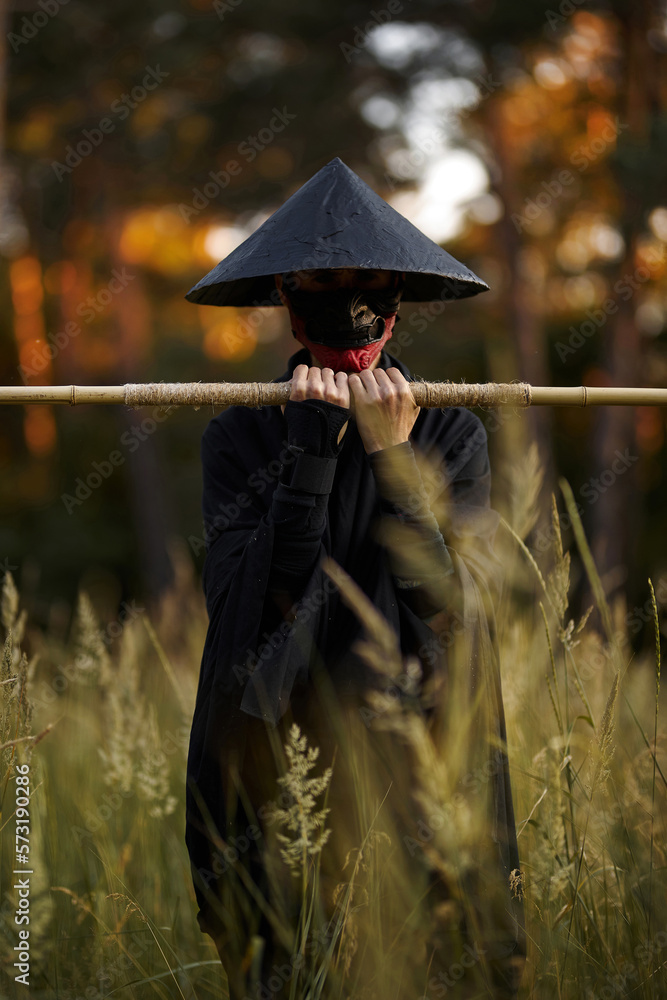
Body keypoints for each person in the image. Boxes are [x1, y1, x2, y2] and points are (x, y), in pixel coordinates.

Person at [184, 159, 525, 999]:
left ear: (398, 299)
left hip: (419, 754)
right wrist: (306, 454)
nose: (350, 300)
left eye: (370, 282)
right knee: (286, 965)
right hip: (277, 757)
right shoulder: (241, 436)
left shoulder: (450, 432)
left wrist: (393, 459)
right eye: (325, 281)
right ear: (288, 300)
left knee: (434, 961)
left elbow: (449, 610)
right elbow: (250, 606)